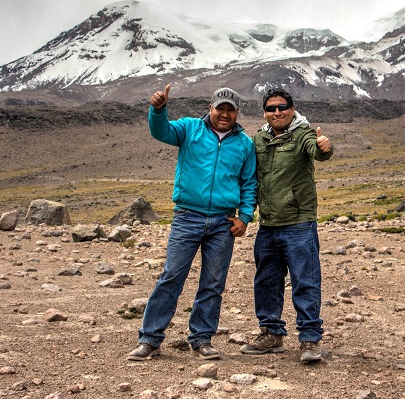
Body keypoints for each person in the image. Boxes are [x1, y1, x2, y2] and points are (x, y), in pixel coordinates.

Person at [128, 85, 257, 361]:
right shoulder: (189, 129)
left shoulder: (245, 144)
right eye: (219, 108)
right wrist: (159, 109)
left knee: (213, 283)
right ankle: (150, 339)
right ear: (210, 107)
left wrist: (245, 216)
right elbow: (160, 132)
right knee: (172, 276)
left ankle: (201, 339)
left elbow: (249, 184)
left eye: (230, 110)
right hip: (188, 216)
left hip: (223, 221)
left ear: (237, 113)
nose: (224, 114)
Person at [240, 88, 333, 363]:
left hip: (299, 223)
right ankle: (271, 334)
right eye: (271, 109)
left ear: (292, 109)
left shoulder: (302, 133)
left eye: (282, 107)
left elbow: (316, 150)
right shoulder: (259, 138)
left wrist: (323, 147)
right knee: (266, 282)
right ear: (264, 113)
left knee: (305, 281)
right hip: (268, 224)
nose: (277, 112)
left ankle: (309, 340)